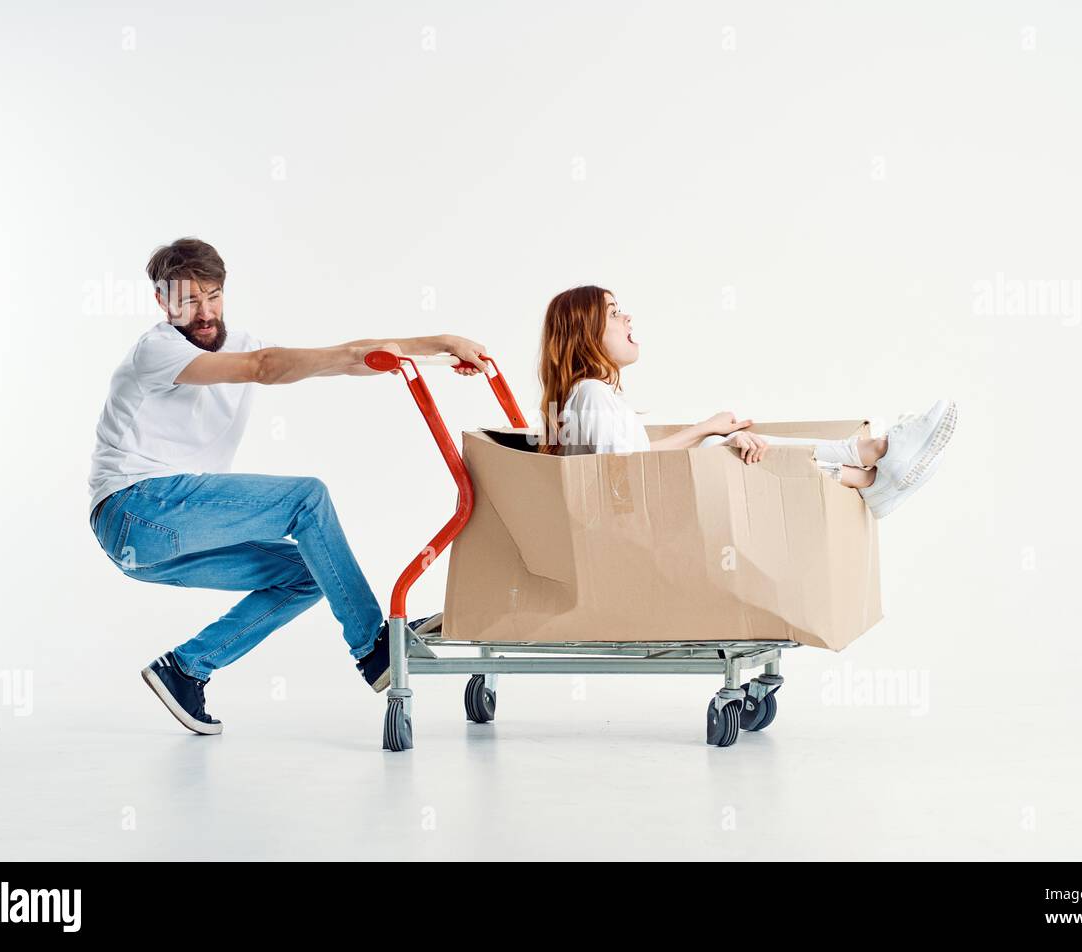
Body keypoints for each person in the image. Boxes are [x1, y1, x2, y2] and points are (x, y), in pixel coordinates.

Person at [88, 237, 486, 734]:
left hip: (155, 541)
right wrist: (280, 362)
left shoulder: (242, 343)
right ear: (163, 303)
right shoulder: (158, 350)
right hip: (134, 510)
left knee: (309, 572)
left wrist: (438, 345)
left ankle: (187, 669)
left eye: (212, 296)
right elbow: (265, 368)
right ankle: (374, 649)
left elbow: (345, 357)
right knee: (306, 499)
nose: (205, 313)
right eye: (188, 301)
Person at [536, 285, 956, 517]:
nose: (627, 317)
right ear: (585, 333)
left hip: (647, 510)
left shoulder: (590, 397)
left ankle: (869, 462)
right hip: (643, 523)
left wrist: (705, 430)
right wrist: (713, 451)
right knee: (733, 451)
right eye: (613, 313)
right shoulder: (590, 394)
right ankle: (872, 465)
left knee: (733, 441)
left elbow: (632, 458)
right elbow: (624, 479)